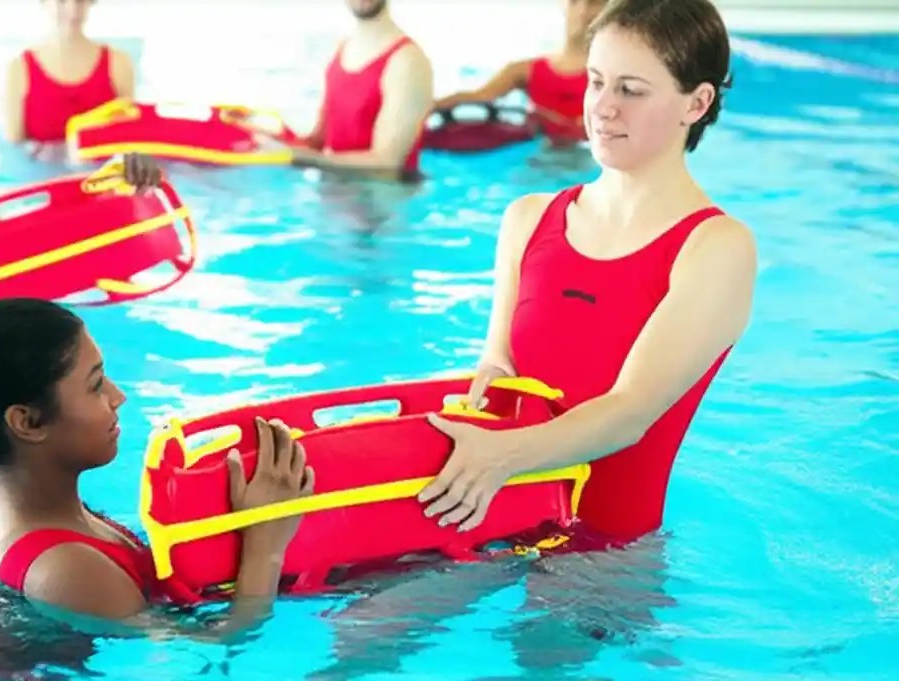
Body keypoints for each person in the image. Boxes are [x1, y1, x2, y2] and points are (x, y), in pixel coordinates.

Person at [419, 0, 755, 545]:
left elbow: (629, 415)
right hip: (488, 516)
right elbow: (497, 369)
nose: (602, 108)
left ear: (696, 103)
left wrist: (500, 456)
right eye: (596, 81)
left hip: (602, 564)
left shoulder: (716, 247)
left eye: (631, 89)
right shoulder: (527, 221)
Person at [0, 298, 317, 621]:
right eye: (96, 385)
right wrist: (265, 546)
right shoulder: (69, 570)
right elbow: (213, 671)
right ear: (27, 422)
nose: (119, 397)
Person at [290, 0, 435, 182]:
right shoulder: (341, 48)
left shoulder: (408, 62)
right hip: (334, 196)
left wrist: (309, 160)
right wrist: (268, 143)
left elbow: (387, 163)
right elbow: (319, 140)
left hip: (382, 204)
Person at [432, 0, 608, 145]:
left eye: (594, 3)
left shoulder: (611, 76)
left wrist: (544, 117)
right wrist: (425, 107)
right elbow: (478, 97)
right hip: (537, 156)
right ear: (562, 4)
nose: (583, 10)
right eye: (575, 2)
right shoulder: (525, 70)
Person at [2, 0, 136, 146]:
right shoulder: (19, 69)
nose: (73, 11)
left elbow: (131, 140)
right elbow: (14, 149)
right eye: (62, 1)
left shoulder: (119, 64)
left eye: (79, 1)